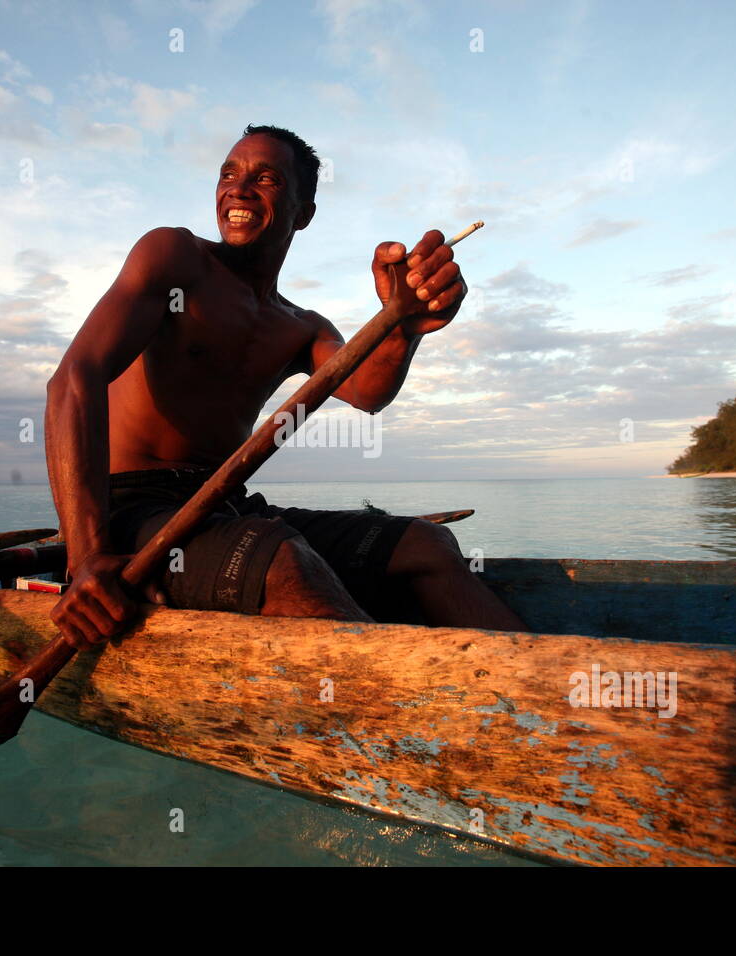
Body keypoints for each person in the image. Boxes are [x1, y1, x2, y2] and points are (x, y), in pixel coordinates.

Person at [45, 124, 525, 648]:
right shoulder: (175, 256)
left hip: (222, 505)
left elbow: (368, 391)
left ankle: (541, 694)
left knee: (428, 545)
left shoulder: (300, 325)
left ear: (302, 214)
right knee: (286, 561)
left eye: (266, 179)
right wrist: (86, 557)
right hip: (129, 512)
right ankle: (392, 709)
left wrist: (401, 323)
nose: (239, 188)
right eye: (229, 173)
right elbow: (73, 380)